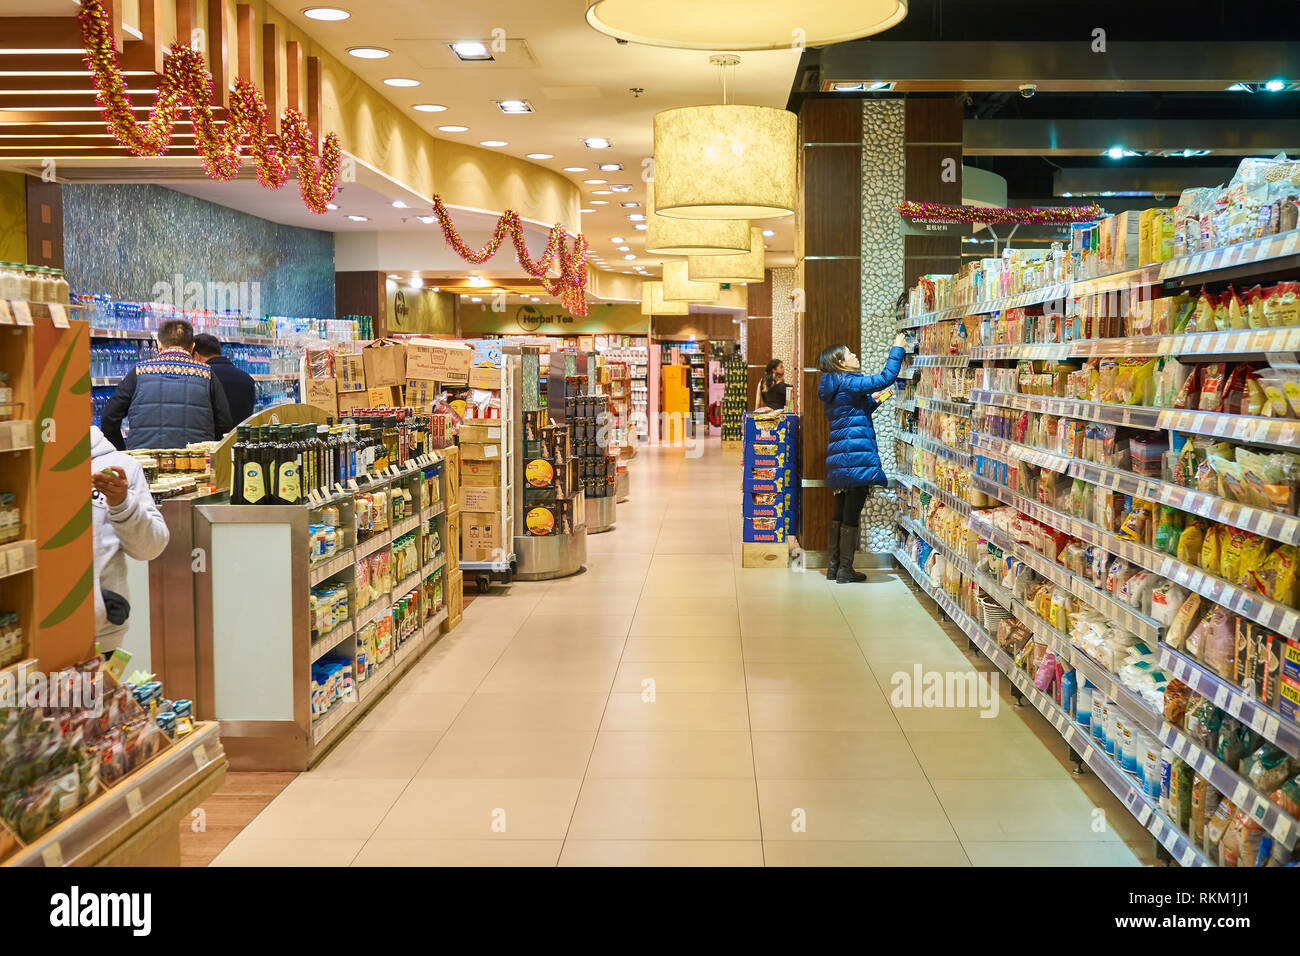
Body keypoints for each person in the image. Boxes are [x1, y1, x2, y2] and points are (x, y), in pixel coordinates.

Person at [818, 332, 908, 583]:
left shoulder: (834, 384)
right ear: (839, 362)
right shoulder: (849, 381)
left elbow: (854, 412)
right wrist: (897, 348)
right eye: (848, 353)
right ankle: (845, 570)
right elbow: (886, 377)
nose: (854, 355)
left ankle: (834, 567)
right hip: (855, 458)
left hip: (840, 457)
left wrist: (874, 402)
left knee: (841, 510)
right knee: (852, 512)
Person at [91, 425, 169, 651]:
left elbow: (151, 547)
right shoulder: (19, 463)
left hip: (101, 632)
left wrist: (123, 504)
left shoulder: (120, 467)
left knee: (92, 688)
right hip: (29, 631)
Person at [100, 319, 234, 450]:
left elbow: (109, 418)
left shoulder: (139, 372)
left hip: (145, 465)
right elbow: (225, 424)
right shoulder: (207, 374)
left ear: (159, 344)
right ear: (192, 347)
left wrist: (122, 451)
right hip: (194, 464)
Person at [193, 333, 256, 425]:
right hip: (239, 437)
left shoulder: (201, 378)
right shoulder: (247, 379)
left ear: (196, 356)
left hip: (211, 438)